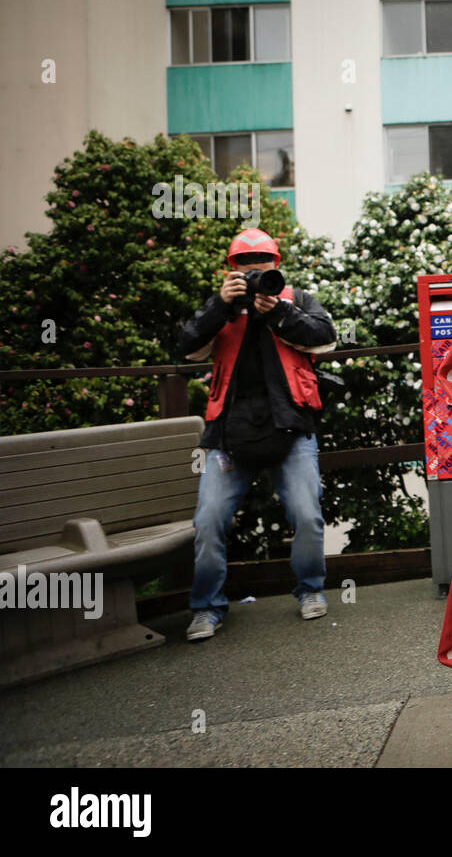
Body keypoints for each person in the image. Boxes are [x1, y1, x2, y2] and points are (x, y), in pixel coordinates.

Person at [178, 227, 337, 641]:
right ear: (231, 269)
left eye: (261, 267)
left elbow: (325, 339)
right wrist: (221, 306)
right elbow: (187, 346)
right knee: (209, 520)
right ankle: (206, 608)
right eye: (245, 268)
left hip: (291, 428)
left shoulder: (295, 300)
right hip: (230, 435)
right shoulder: (222, 307)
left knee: (307, 513)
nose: (252, 275)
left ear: (276, 266)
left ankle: (310, 590)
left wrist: (276, 312)